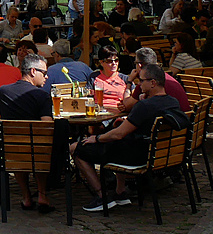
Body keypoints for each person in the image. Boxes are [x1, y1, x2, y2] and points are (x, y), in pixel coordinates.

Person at [72, 62, 186, 212]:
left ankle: (102, 196)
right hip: (157, 154)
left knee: (75, 148)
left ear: (153, 83)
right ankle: (120, 192)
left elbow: (119, 134)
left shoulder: (144, 106)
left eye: (141, 80)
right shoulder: (172, 102)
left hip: (137, 157)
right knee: (118, 137)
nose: (139, 83)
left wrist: (97, 138)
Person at [0, 53, 57, 213]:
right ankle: (42, 194)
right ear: (32, 72)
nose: (46, 76)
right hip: (38, 152)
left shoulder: (3, 91)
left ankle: (26, 196)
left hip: (12, 150)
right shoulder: (42, 95)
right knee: (40, 145)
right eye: (44, 73)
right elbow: (47, 127)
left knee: (18, 147)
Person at [117, 47, 191, 113]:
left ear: (139, 65)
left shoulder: (146, 81)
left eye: (135, 63)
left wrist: (129, 82)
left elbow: (126, 106)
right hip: (183, 122)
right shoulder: (165, 77)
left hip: (169, 125)